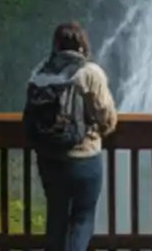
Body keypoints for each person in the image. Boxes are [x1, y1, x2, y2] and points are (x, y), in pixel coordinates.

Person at [24, 22, 118, 251]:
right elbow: (107, 117)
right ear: (83, 44)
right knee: (82, 219)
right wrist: (98, 132)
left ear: (56, 44)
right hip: (83, 158)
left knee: (56, 219)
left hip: (48, 158)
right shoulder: (89, 72)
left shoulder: (40, 72)